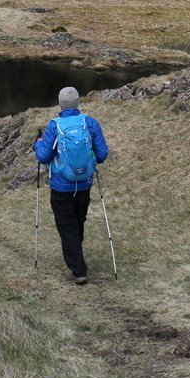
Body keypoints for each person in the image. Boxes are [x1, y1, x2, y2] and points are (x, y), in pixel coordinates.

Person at [34, 86, 110, 284]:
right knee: (77, 222)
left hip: (61, 186)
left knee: (67, 226)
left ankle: (78, 270)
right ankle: (77, 258)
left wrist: (38, 144)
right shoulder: (90, 124)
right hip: (84, 184)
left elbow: (43, 156)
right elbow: (102, 155)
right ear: (78, 102)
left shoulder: (54, 126)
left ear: (60, 104)